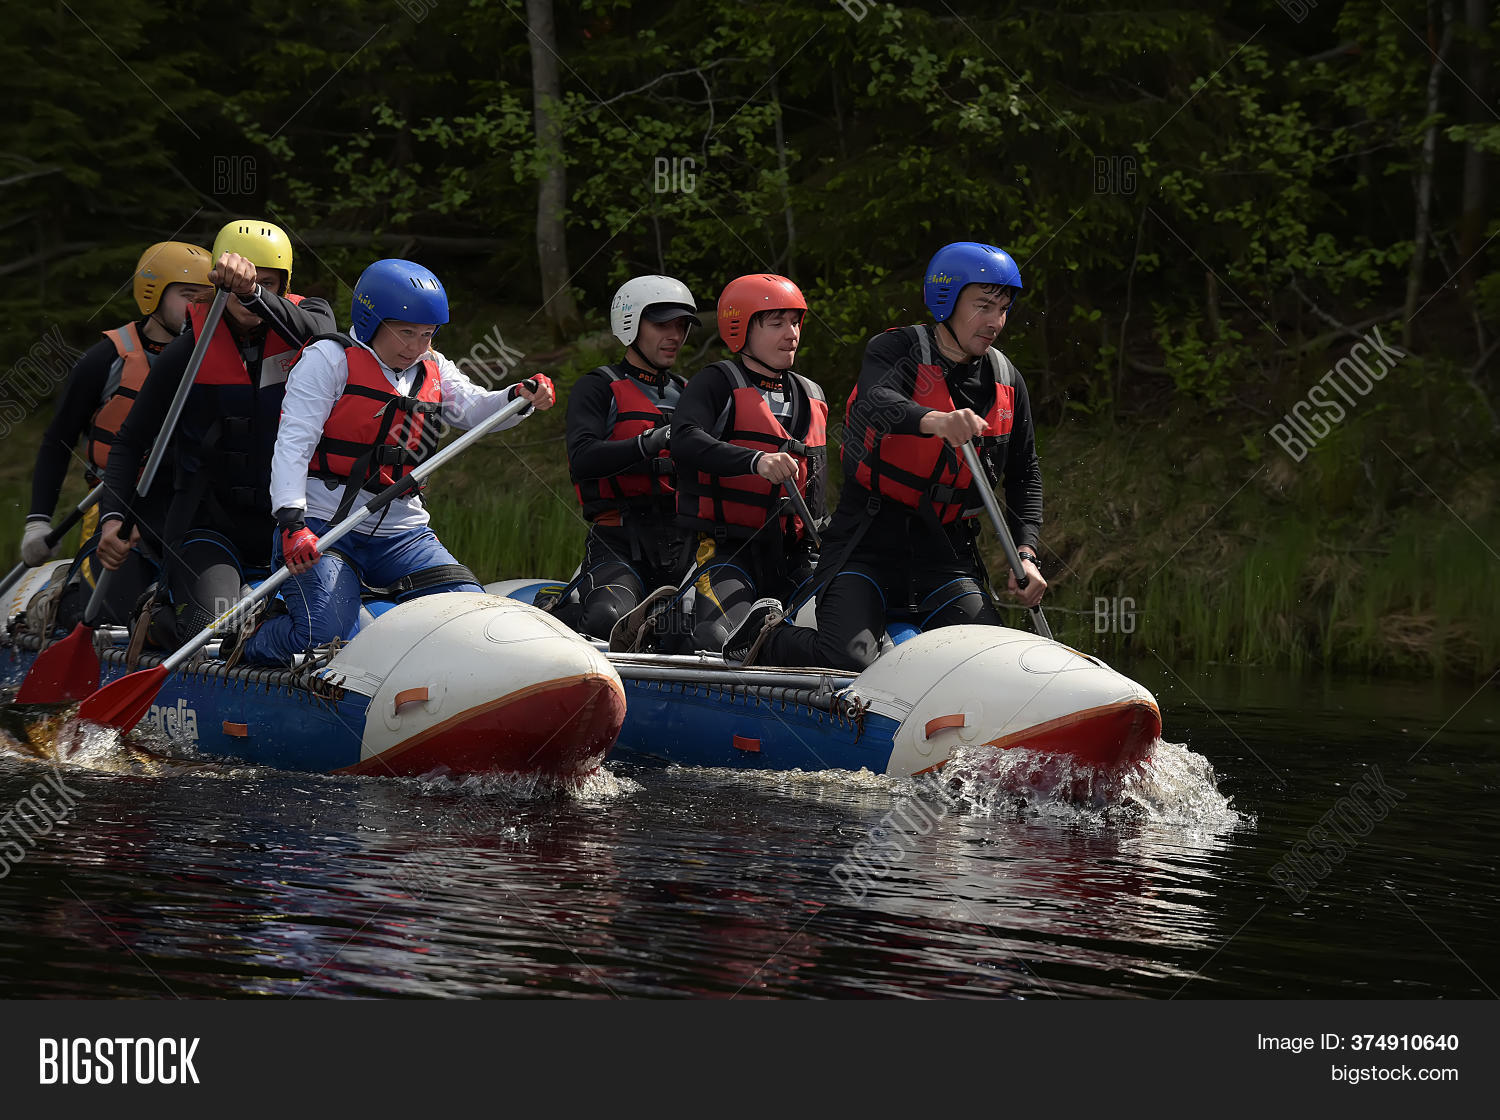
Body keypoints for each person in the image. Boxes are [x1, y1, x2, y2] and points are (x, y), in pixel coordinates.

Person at [236, 258, 554, 665]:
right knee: (321, 632)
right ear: (370, 321)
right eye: (406, 333)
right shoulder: (328, 359)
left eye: (427, 334)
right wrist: (292, 523)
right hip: (322, 527)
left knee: (469, 618)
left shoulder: (431, 366)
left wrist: (518, 396)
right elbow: (293, 445)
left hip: (401, 533)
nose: (417, 347)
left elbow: (476, 409)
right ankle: (255, 635)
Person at [749, 241, 1047, 671]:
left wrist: (1026, 553)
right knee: (847, 659)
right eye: (983, 306)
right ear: (946, 300)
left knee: (991, 662)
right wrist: (937, 421)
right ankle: (768, 635)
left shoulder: (1006, 379)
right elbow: (875, 400)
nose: (995, 322)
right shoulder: (897, 351)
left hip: (946, 554)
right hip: (867, 544)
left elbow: (1025, 473)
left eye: (1002, 309)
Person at [97, 218, 337, 646]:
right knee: (216, 624)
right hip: (207, 523)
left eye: (268, 283)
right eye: (243, 282)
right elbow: (130, 442)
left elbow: (318, 335)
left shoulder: (313, 324)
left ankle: (267, 627)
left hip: (293, 523)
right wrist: (113, 517)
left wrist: (250, 290)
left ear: (282, 287)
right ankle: (154, 620)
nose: (251, 293)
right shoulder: (185, 352)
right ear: (218, 284)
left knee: (328, 621)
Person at [22, 241, 213, 627]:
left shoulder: (216, 356)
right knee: (116, 608)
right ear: (152, 294)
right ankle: (62, 598)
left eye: (204, 298)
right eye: (185, 295)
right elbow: (58, 439)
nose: (195, 307)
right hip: (115, 509)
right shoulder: (103, 360)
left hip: (187, 512)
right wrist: (39, 519)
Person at [668, 273, 828, 662]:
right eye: (776, 323)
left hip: (795, 555)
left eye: (795, 322)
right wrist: (754, 461)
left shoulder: (812, 394)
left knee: (844, 630)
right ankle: (665, 625)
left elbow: (819, 493)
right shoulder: (716, 383)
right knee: (718, 635)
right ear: (739, 329)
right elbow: (684, 438)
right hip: (726, 549)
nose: (791, 334)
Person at [555, 274, 698, 643]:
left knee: (695, 631)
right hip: (618, 537)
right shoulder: (598, 387)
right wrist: (651, 441)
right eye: (663, 324)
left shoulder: (691, 393)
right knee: (608, 619)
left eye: (681, 326)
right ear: (631, 324)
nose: (675, 336)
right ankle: (555, 612)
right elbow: (583, 458)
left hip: (684, 541)